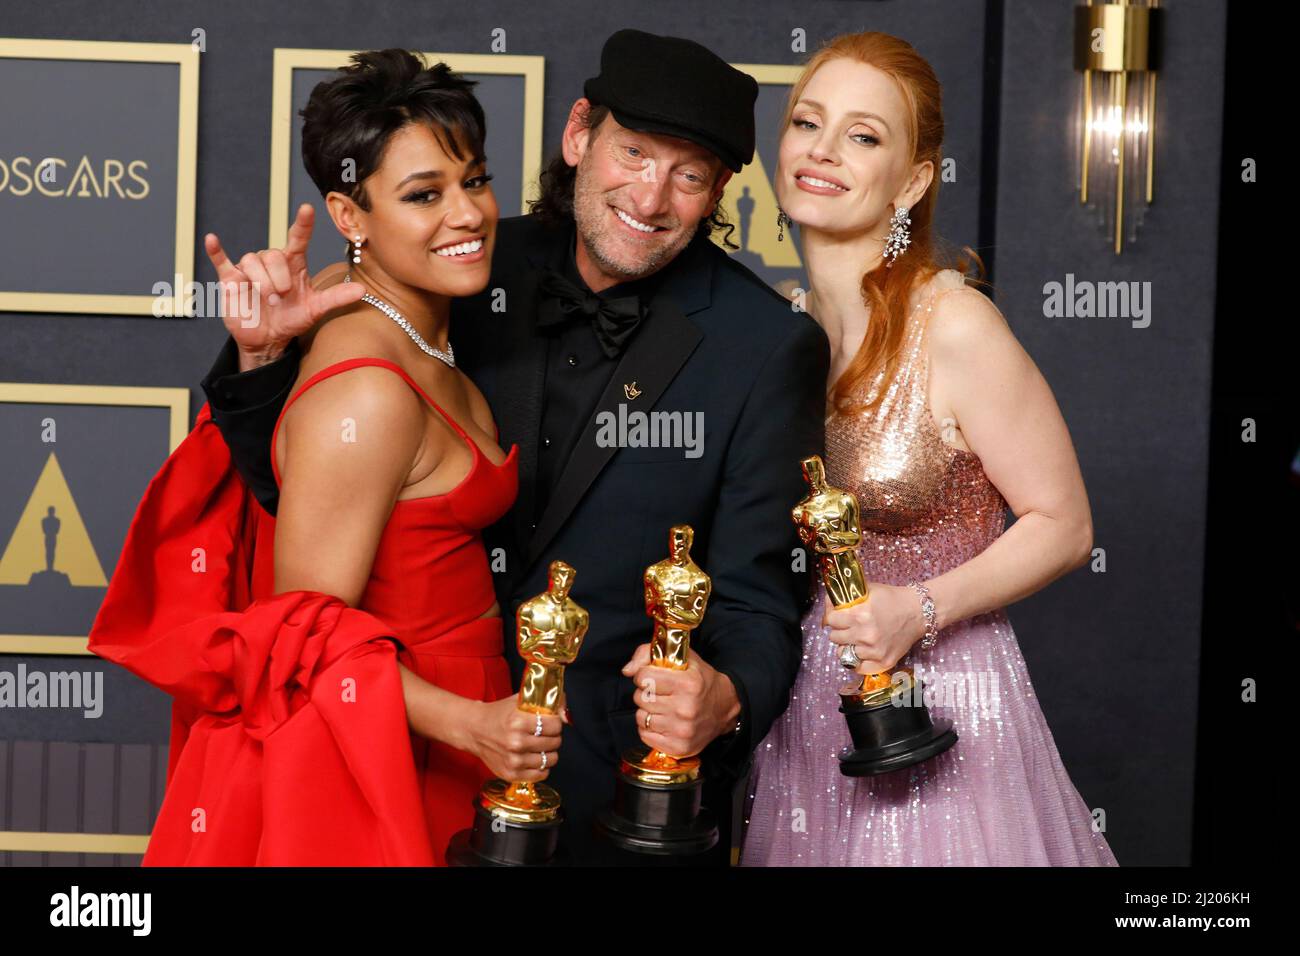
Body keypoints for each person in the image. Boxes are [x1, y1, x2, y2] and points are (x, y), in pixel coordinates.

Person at [200, 29, 828, 866]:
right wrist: (260, 362)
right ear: (579, 135)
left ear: (719, 191)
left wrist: (727, 697)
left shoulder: (765, 345)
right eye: (633, 154)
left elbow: (762, 603)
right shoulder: (461, 261)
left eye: (689, 174)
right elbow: (305, 496)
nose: (650, 196)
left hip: (619, 800)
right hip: (409, 753)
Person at [89, 50, 565, 866]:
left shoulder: (429, 334)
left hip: (454, 733)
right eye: (424, 195)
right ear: (349, 216)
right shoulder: (368, 391)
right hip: (384, 754)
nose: (468, 214)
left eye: (475, 181)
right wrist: (468, 723)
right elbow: (298, 632)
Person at [741, 32, 1119, 866]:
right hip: (809, 707)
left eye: (864, 135)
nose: (824, 151)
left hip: (944, 703)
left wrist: (919, 608)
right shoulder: (776, 327)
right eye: (809, 122)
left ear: (913, 180)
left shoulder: (952, 325)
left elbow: (1065, 524)